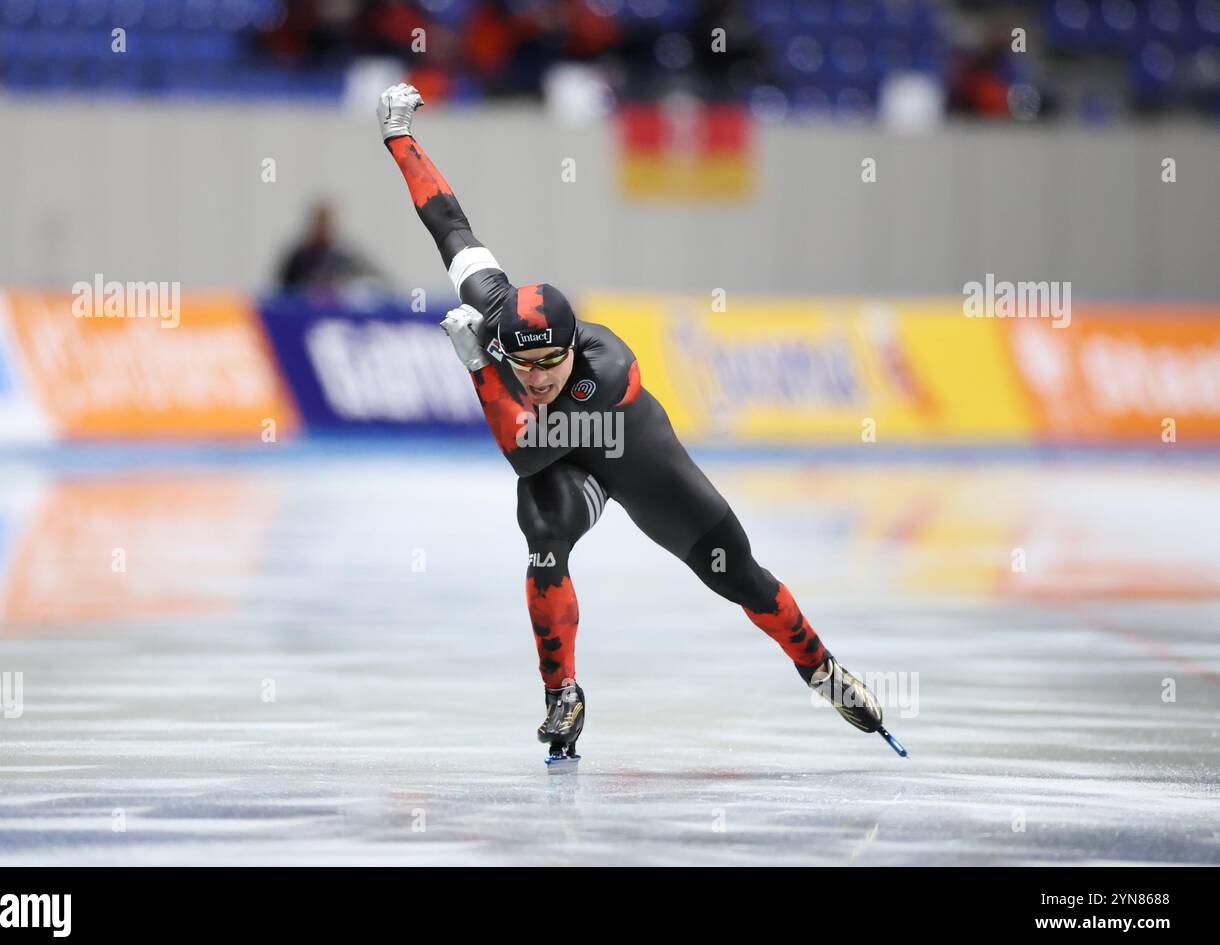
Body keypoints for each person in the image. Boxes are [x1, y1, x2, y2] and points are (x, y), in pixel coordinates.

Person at [378, 83, 903, 765]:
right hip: (563, 463)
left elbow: (525, 448)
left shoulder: (609, 370)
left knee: (741, 577)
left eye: (549, 365)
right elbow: (448, 222)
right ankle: (560, 693)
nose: (535, 378)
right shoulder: (496, 305)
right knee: (542, 535)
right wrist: (398, 136)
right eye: (521, 365)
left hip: (633, 459)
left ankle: (824, 671)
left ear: (573, 349)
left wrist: (482, 369)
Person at [277, 202, 383, 294]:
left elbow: (373, 281)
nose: (323, 228)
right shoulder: (298, 258)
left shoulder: (346, 257)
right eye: (319, 223)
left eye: (326, 223)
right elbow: (283, 290)